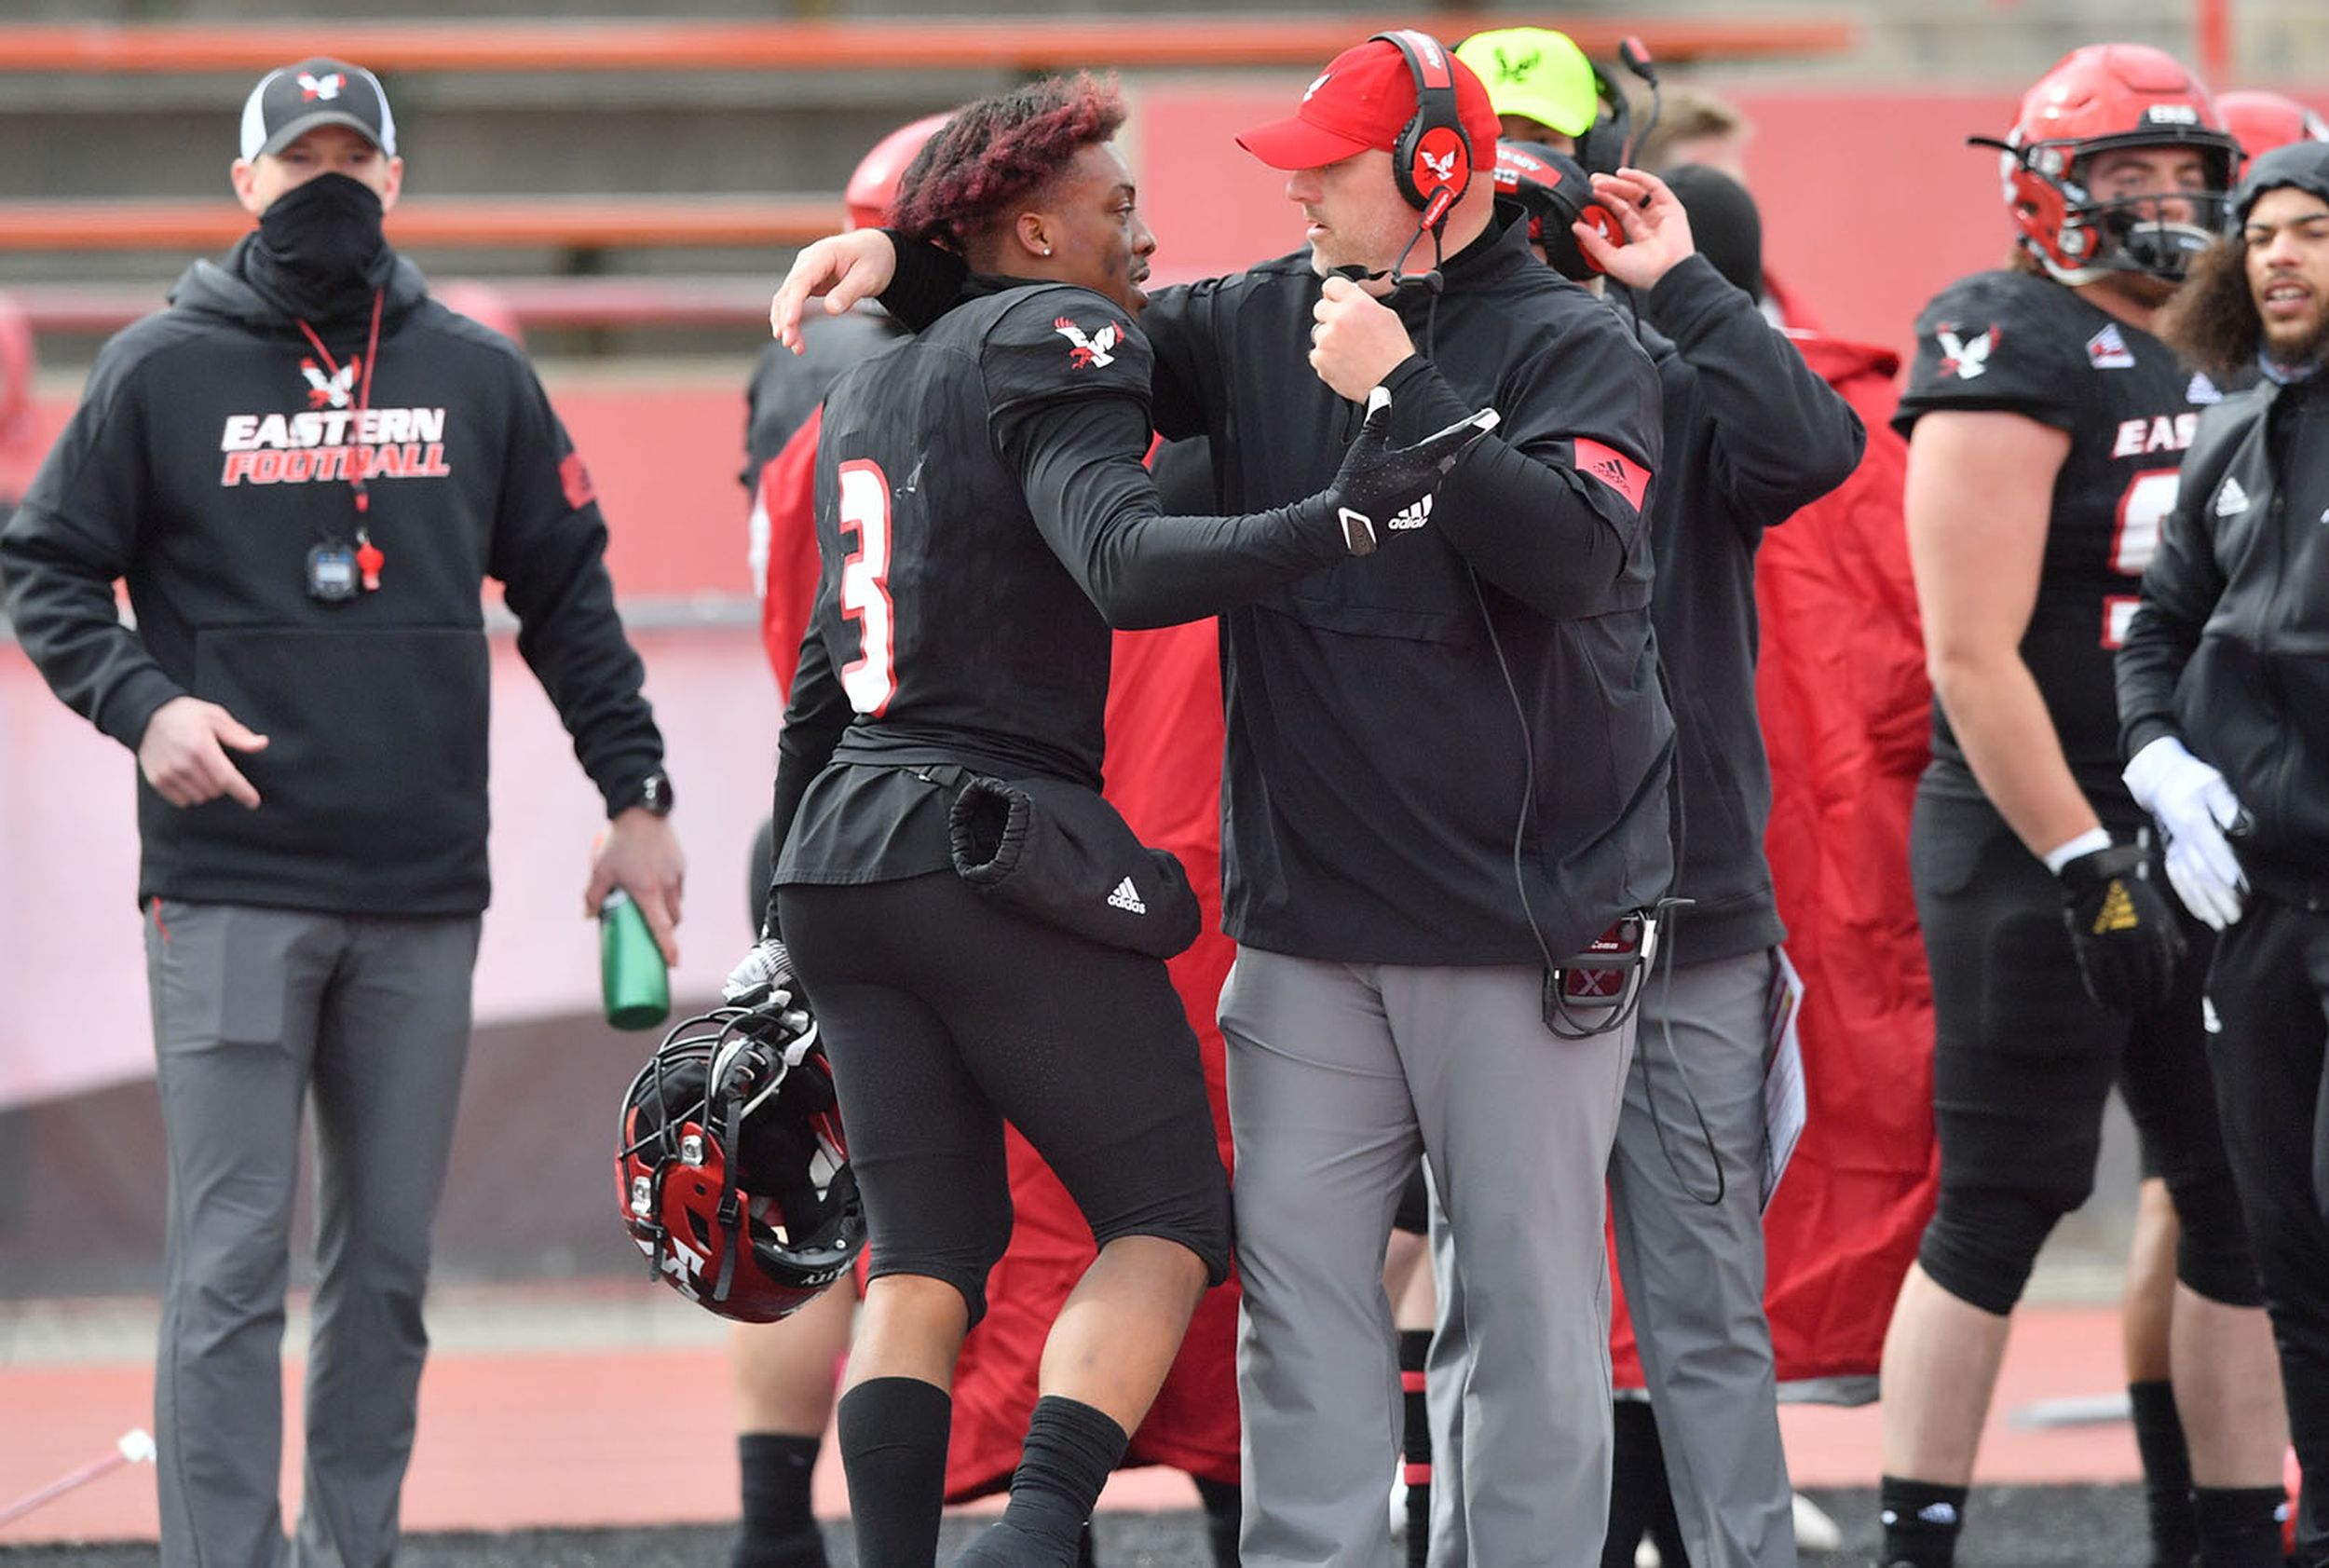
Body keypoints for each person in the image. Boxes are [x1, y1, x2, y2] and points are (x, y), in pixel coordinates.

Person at [773, 31, 1671, 1566]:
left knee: (1523, 1311)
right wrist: (908, 258)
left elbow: (1587, 560)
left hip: (1515, 918)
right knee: (1297, 1301)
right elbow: (1042, 329)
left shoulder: (1578, 343)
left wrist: (1420, 403)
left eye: (1327, 167)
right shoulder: (1259, 315)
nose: (1293, 191)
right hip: (1307, 921)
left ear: (1435, 173)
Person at [0, 56, 686, 1568]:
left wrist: (637, 796)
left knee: (382, 1273)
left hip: (419, 888)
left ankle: (352, 1549)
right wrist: (145, 706)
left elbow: (568, 593)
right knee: (232, 1263)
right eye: (293, 160)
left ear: (394, 182)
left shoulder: (479, 371)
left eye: (348, 158)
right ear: (241, 185)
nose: (324, 184)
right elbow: (41, 563)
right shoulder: (157, 368)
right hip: (231, 880)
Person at [1878, 44, 2289, 1568]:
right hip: (2033, 825)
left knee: (2237, 1200)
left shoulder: (2246, 352)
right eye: (2128, 177)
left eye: (2188, 178)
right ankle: (1916, 1541)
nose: (2166, 206)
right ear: (2046, 192)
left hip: (2209, 832)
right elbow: (1969, 652)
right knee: (2005, 1198)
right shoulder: (2007, 333)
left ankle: (2229, 1540)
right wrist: (2081, 855)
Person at [1434, 143, 1863, 1568]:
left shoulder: (1674, 386)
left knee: (1705, 1319)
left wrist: (1684, 283)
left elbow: (1816, 446)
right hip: (1497, 924)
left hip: (1676, 916)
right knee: (1503, 1312)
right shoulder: (1421, 399)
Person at [2127, 136, 2329, 1568]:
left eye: (2314, 232)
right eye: (2263, 235)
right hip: (2249, 904)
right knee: (2287, 1253)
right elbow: (2156, 633)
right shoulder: (2232, 430)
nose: (2281, 257)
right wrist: (2156, 758)